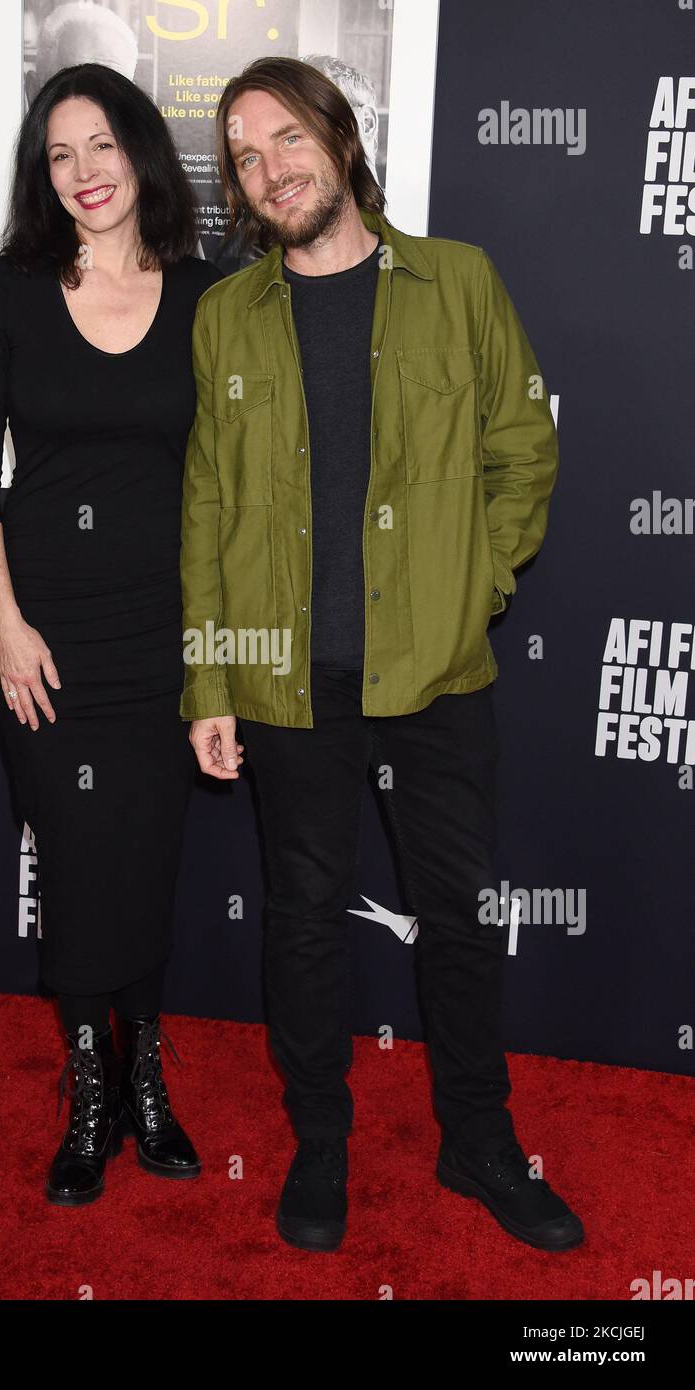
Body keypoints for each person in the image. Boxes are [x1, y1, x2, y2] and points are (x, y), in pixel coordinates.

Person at [180, 56, 583, 1254]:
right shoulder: (224, 316)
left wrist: (479, 582)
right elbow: (205, 507)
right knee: (302, 920)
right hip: (288, 684)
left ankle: (479, 1143)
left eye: (287, 139)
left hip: (438, 677)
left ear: (342, 141)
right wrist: (210, 676)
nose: (269, 170)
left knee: (455, 921)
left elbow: (523, 451)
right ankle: (318, 1146)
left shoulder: (457, 282)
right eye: (244, 158)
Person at [0, 63, 223, 1206]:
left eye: (101, 145)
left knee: (145, 857)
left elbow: (231, 485)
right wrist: (7, 624)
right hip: (45, 633)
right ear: (40, 173)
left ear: (140, 150)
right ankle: (88, 1079)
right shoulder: (6, 292)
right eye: (59, 155)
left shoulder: (209, 295)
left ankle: (144, 1066)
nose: (83, 173)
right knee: (70, 856)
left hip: (161, 631)